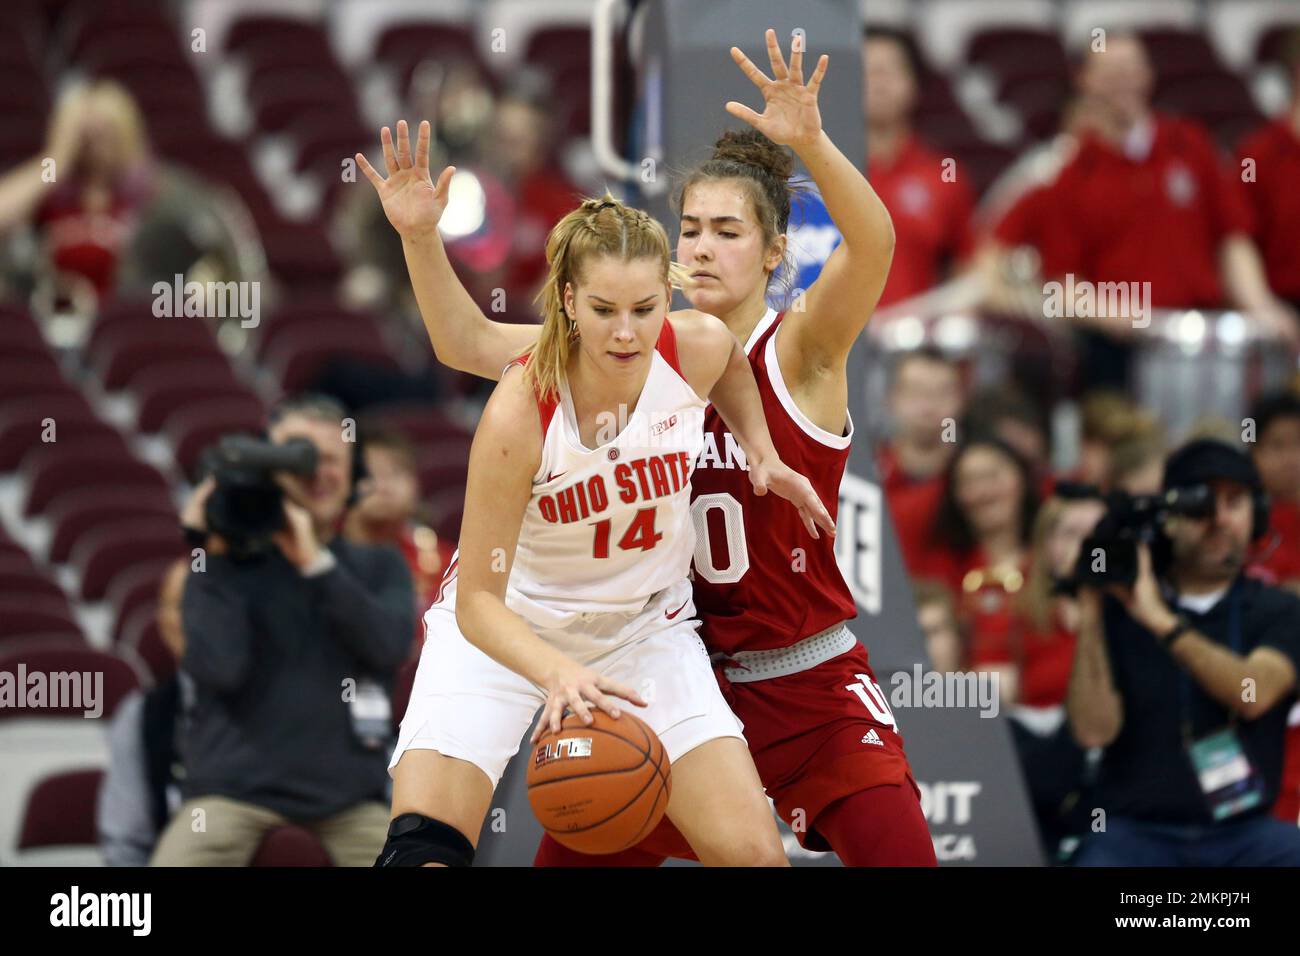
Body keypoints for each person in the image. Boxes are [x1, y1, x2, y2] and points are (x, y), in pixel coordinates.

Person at [359, 28, 935, 866]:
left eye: (728, 231)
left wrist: (809, 142)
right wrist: (420, 238)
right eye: (690, 228)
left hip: (789, 672)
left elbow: (871, 246)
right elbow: (470, 340)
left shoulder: (799, 350)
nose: (702, 245)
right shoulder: (620, 342)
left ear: (778, 253)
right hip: (655, 649)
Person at [365, 185, 834, 866]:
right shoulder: (521, 410)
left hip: (642, 629)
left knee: (755, 856)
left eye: (645, 310)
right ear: (567, 302)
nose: (625, 332)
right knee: (421, 855)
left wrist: (761, 450)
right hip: (510, 626)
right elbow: (477, 604)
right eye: (604, 310)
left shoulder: (693, 344)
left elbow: (732, 366)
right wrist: (556, 669)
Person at [150, 394, 415, 866]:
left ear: (353, 475)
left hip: (351, 800)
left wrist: (316, 563)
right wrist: (209, 550)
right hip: (230, 795)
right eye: (295, 455)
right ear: (266, 463)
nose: (314, 472)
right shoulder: (226, 565)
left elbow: (388, 646)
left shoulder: (380, 565)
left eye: (330, 460)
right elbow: (218, 669)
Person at [1067, 439, 1300, 865]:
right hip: (1135, 835)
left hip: (1247, 834)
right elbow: (1092, 732)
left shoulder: (1280, 610)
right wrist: (1092, 611)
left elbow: (1253, 694)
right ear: (1168, 520)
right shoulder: (1121, 611)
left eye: (1234, 503)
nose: (1217, 519)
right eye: (1201, 504)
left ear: (1258, 515)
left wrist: (1159, 619)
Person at [862, 28, 974, 308]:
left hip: (911, 340)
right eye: (867, 71)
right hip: (827, 343)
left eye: (890, 71)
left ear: (913, 84)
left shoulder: (943, 175)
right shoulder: (812, 173)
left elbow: (969, 267)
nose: (878, 82)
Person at [98, 559, 191, 866]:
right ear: (163, 623)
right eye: (182, 605)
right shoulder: (141, 715)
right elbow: (125, 845)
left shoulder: (291, 707)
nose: (196, 619)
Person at [877, 346, 964, 575]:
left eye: (941, 393)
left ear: (960, 399)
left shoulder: (976, 482)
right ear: (892, 398)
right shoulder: (863, 475)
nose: (929, 405)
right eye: (916, 392)